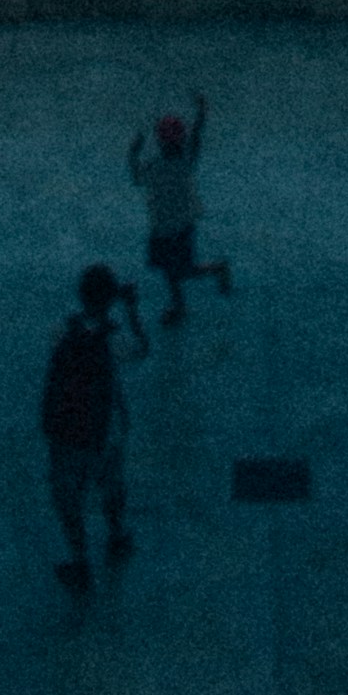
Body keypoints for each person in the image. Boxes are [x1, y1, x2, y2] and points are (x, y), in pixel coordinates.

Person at [39, 266, 136, 594]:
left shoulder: (59, 329)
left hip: (65, 431)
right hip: (104, 431)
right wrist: (131, 309)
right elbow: (142, 348)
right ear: (111, 298)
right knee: (111, 484)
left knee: (67, 496)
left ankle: (79, 557)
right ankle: (117, 533)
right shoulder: (116, 337)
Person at [130, 94, 230, 321]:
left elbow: (136, 176)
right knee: (171, 270)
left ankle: (216, 269)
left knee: (179, 270)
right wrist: (201, 113)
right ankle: (180, 303)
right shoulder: (181, 162)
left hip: (172, 225)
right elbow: (196, 135)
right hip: (170, 225)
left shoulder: (161, 165)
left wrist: (133, 153)